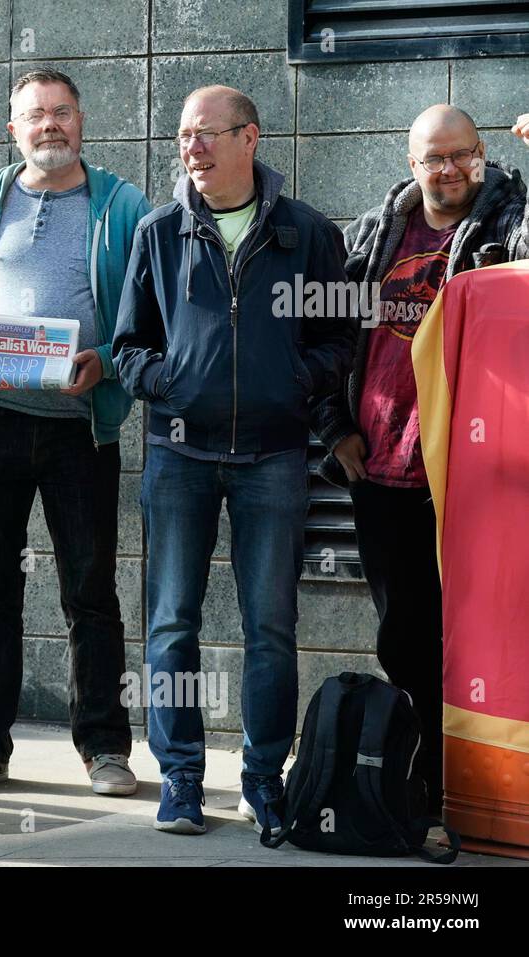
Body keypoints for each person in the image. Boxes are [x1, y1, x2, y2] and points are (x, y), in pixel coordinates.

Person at [113, 86, 355, 834]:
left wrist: (294, 383)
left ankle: (262, 779)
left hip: (274, 456)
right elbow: (128, 348)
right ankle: (181, 778)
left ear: (250, 137)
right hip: (178, 455)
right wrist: (172, 383)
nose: (192, 148)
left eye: (207, 134)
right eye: (183, 135)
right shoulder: (159, 232)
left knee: (270, 626)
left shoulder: (307, 234)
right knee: (171, 623)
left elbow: (339, 340)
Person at [0, 69, 151, 796]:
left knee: (90, 591)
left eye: (61, 113)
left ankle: (106, 747)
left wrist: (110, 362)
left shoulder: (121, 205)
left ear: (81, 121)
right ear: (13, 128)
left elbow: (151, 323)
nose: (49, 125)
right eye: (35, 115)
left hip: (81, 430)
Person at [311, 105, 529, 813]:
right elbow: (324, 338)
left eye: (461, 154)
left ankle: (474, 788)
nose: (448, 169)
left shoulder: (507, 220)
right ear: (411, 163)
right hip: (383, 468)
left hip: (472, 471)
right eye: (433, 157)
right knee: (403, 636)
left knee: (482, 637)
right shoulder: (374, 233)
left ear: (482, 153)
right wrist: (334, 428)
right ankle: (421, 781)